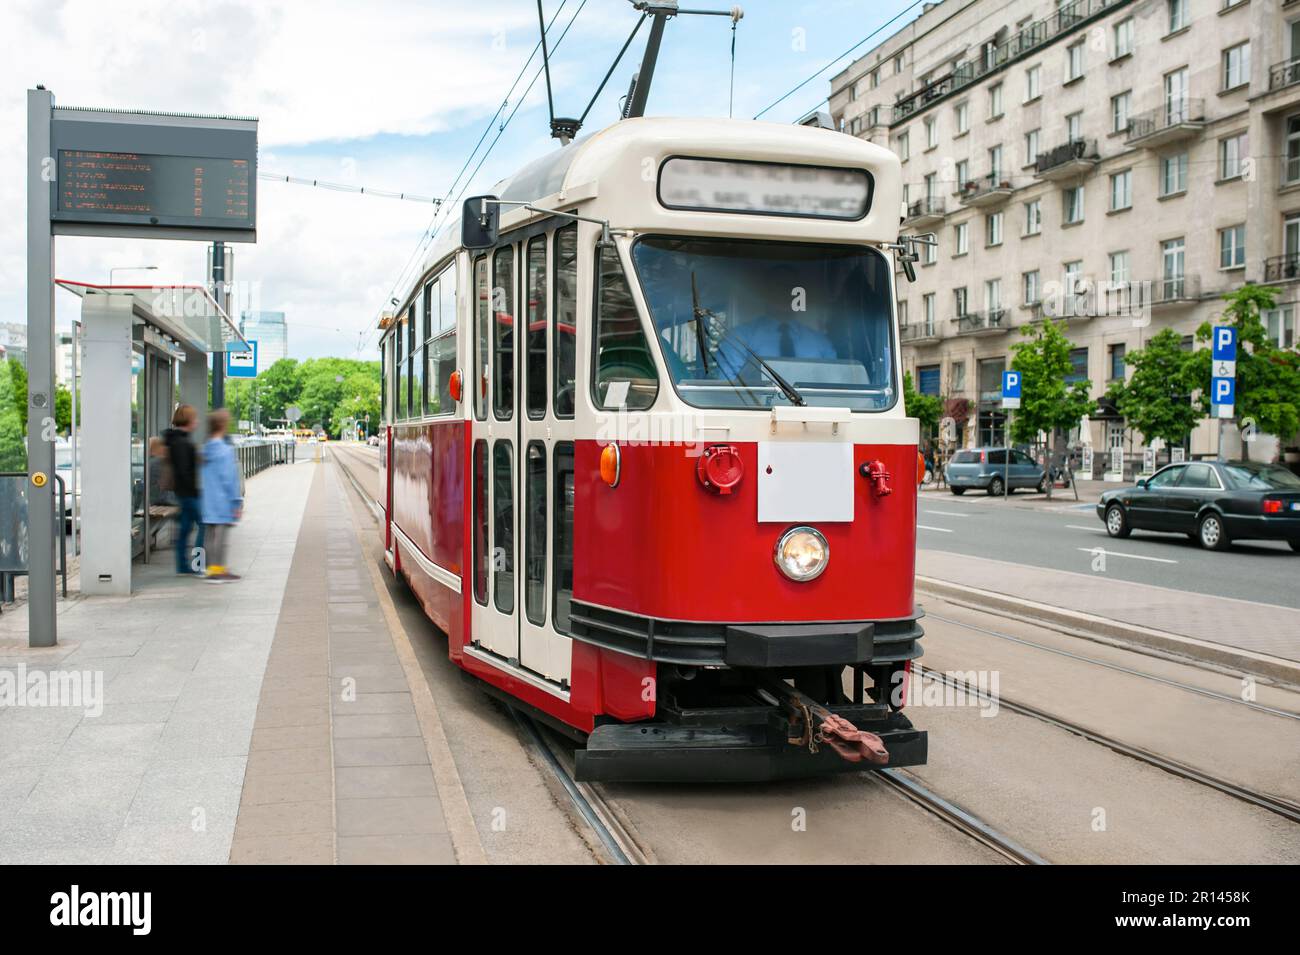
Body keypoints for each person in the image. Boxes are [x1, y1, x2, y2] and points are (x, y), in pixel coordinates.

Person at [199, 409, 243, 583]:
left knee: (210, 534)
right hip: (223, 499)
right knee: (221, 535)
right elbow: (229, 478)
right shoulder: (225, 451)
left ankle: (212, 569)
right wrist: (236, 501)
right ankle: (218, 571)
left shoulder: (205, 449)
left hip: (208, 499)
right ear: (223, 425)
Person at [163, 405, 204, 576]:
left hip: (183, 493)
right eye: (195, 419)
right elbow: (184, 470)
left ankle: (182, 566)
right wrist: (194, 491)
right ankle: (197, 565)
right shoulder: (181, 442)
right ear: (188, 420)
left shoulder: (176, 440)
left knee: (186, 528)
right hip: (189, 493)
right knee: (204, 525)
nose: (197, 422)